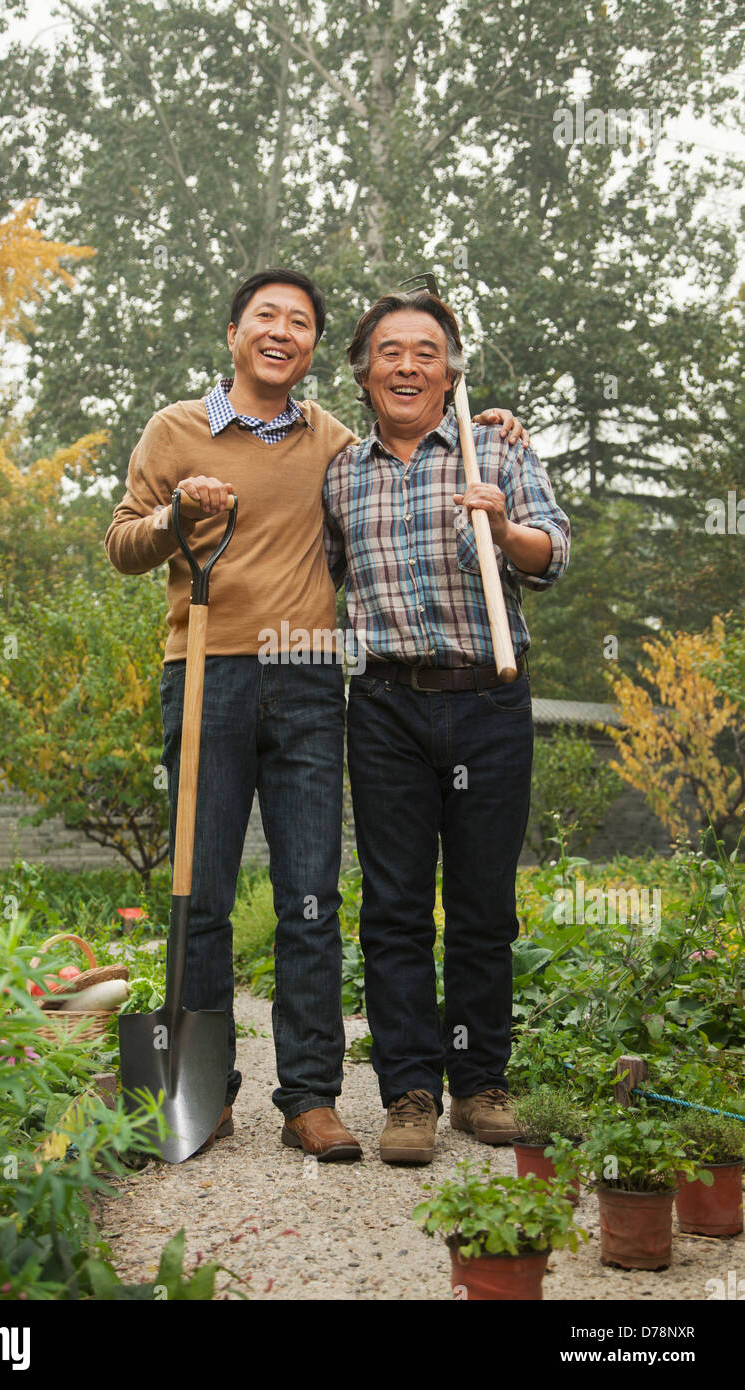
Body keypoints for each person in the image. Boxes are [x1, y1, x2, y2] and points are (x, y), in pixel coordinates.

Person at [105, 267, 526, 1160]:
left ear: (312, 350)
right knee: (202, 892)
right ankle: (206, 1091)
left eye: (300, 323)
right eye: (268, 317)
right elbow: (122, 543)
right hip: (206, 669)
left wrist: (483, 423)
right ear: (234, 332)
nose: (283, 332)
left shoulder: (333, 440)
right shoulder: (174, 429)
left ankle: (309, 1097)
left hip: (304, 682)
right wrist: (176, 515)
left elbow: (411, 434)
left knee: (309, 897)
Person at [323, 289, 570, 1164]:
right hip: (385, 706)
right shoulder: (342, 473)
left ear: (450, 372)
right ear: (364, 373)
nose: (407, 365)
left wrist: (503, 524)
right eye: (389, 351)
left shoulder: (493, 447)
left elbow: (554, 553)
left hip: (490, 698)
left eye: (426, 351)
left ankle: (481, 1084)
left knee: (481, 906)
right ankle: (409, 1093)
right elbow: (319, 576)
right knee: (393, 909)